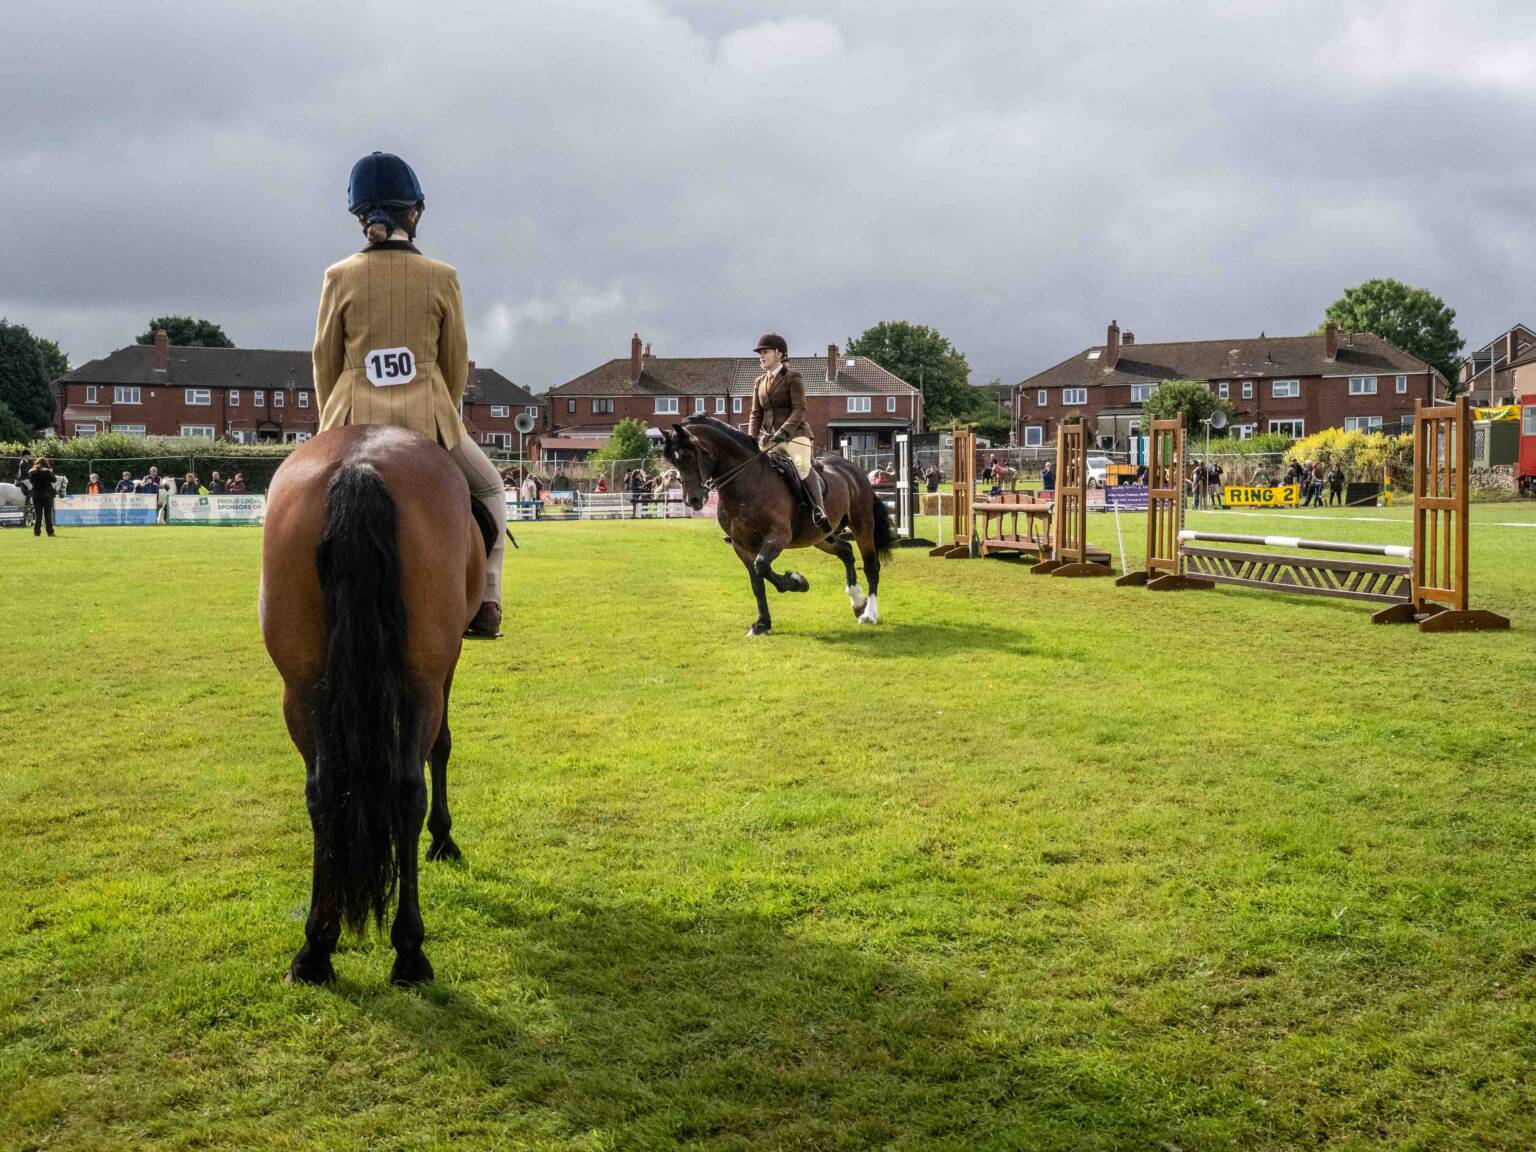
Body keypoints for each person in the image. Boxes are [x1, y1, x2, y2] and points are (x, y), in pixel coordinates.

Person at [312, 151, 507, 638]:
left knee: (288, 500)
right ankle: (486, 600)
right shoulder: (443, 277)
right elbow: (455, 363)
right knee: (490, 489)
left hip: (350, 416)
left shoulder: (338, 276)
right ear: (413, 213)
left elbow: (324, 361)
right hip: (428, 417)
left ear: (361, 218)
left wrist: (329, 422)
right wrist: (444, 413)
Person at [748, 333, 832, 532]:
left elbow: (799, 409)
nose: (762, 356)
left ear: (779, 353)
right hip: (769, 438)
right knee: (749, 467)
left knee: (802, 465)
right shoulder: (759, 381)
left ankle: (819, 510)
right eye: (760, 352)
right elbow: (755, 413)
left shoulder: (792, 377)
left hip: (795, 435)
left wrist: (785, 431)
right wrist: (751, 439)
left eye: (765, 351)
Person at [28, 456, 57, 537]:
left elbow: (31, 482)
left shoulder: (32, 472)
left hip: (36, 495)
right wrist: (51, 472)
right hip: (47, 495)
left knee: (38, 515)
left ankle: (37, 533)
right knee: (48, 515)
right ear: (46, 463)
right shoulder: (48, 471)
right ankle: (50, 532)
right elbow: (54, 480)